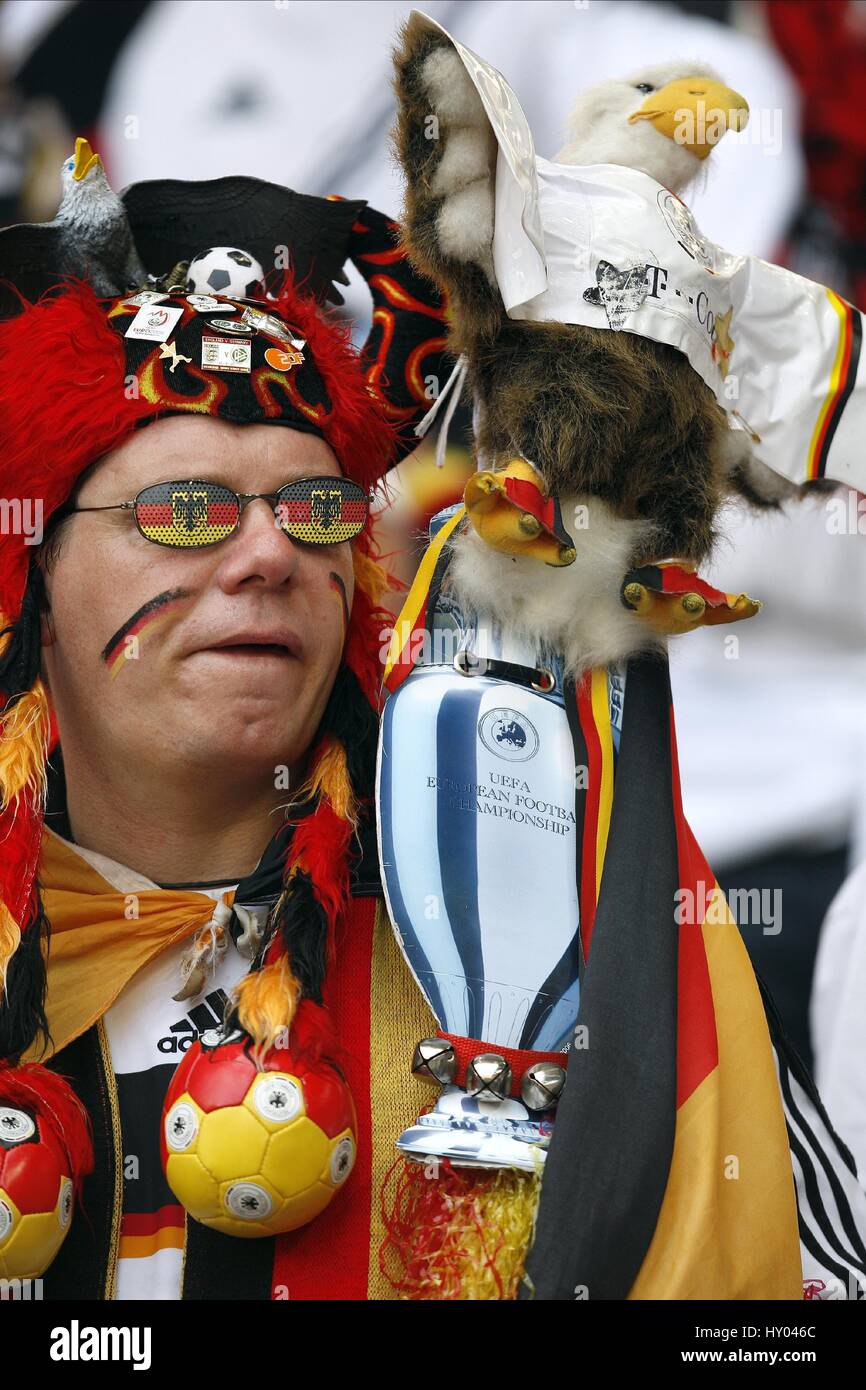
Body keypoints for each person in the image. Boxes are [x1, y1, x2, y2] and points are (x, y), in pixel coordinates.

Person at [0, 161, 451, 1300]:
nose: (267, 556)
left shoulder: (500, 922)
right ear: (31, 581)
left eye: (314, 508)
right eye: (185, 510)